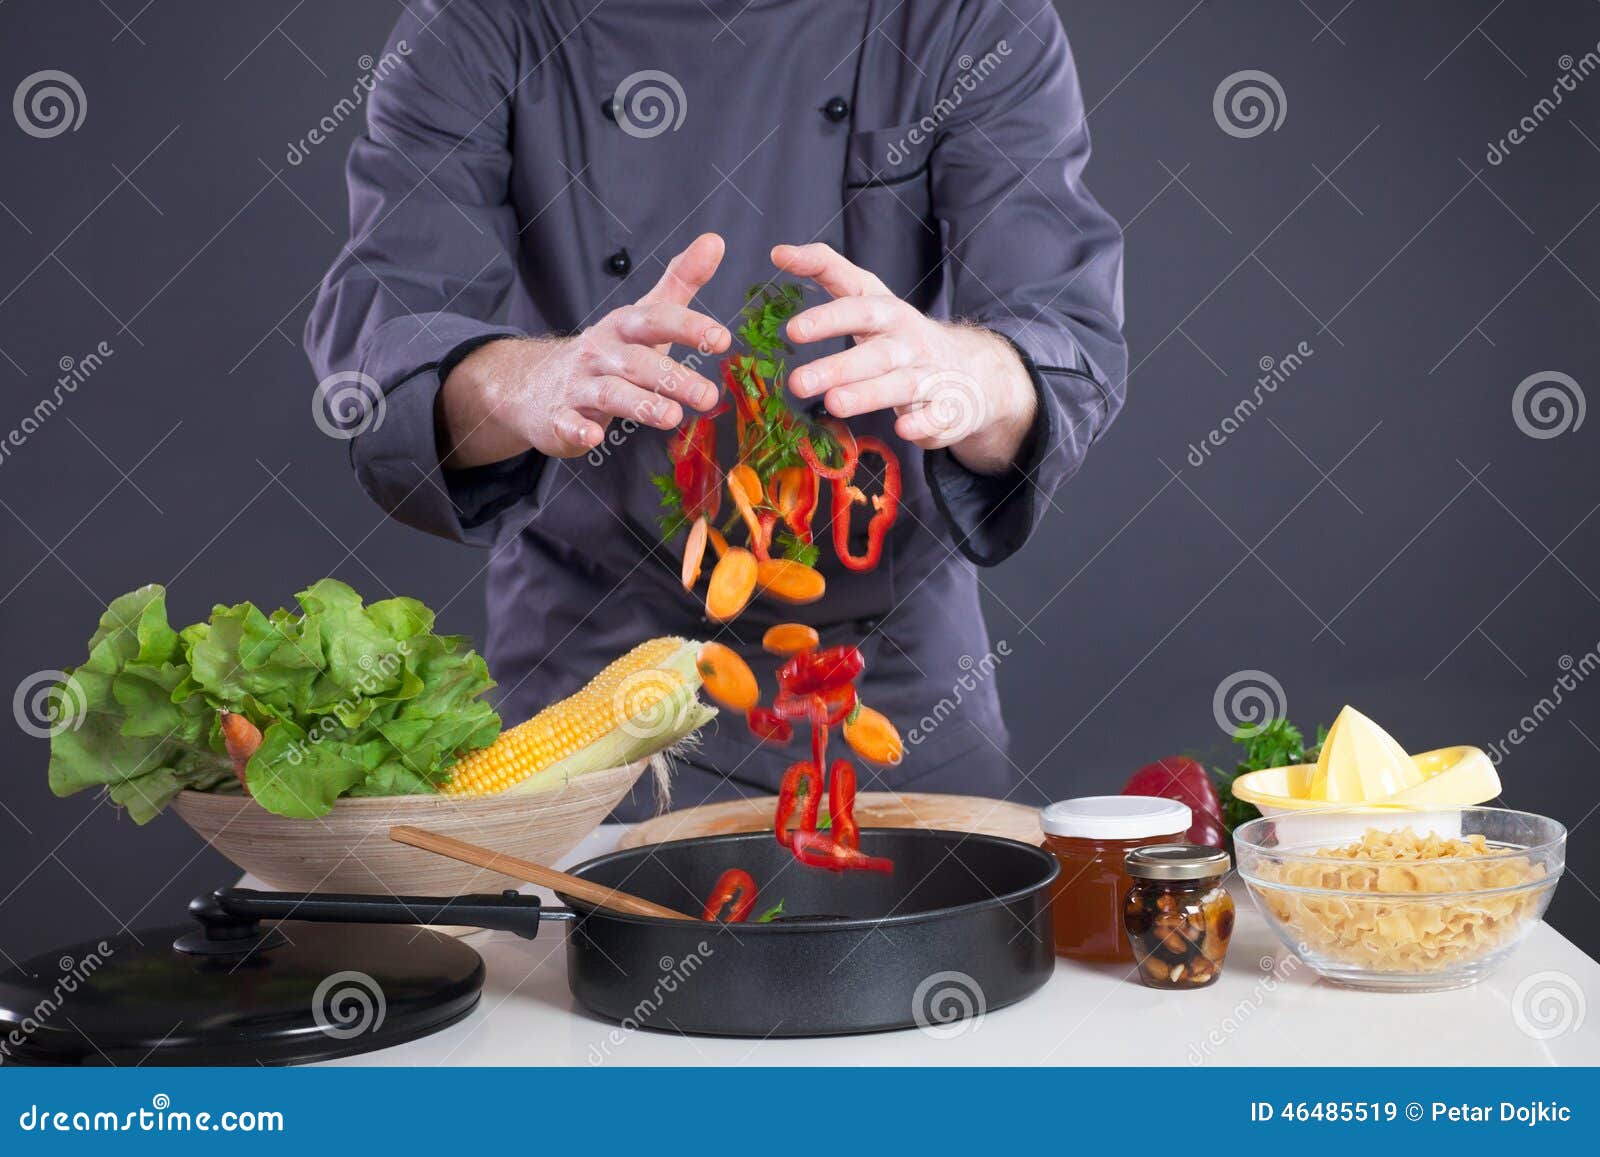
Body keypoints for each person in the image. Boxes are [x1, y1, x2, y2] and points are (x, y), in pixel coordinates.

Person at [304, 0, 1126, 816]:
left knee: (940, 909)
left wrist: (971, 373)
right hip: (593, 671)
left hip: (894, 681)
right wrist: (528, 381)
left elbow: (1064, 331)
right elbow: (387, 334)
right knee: (574, 909)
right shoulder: (478, 22)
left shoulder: (968, 17)